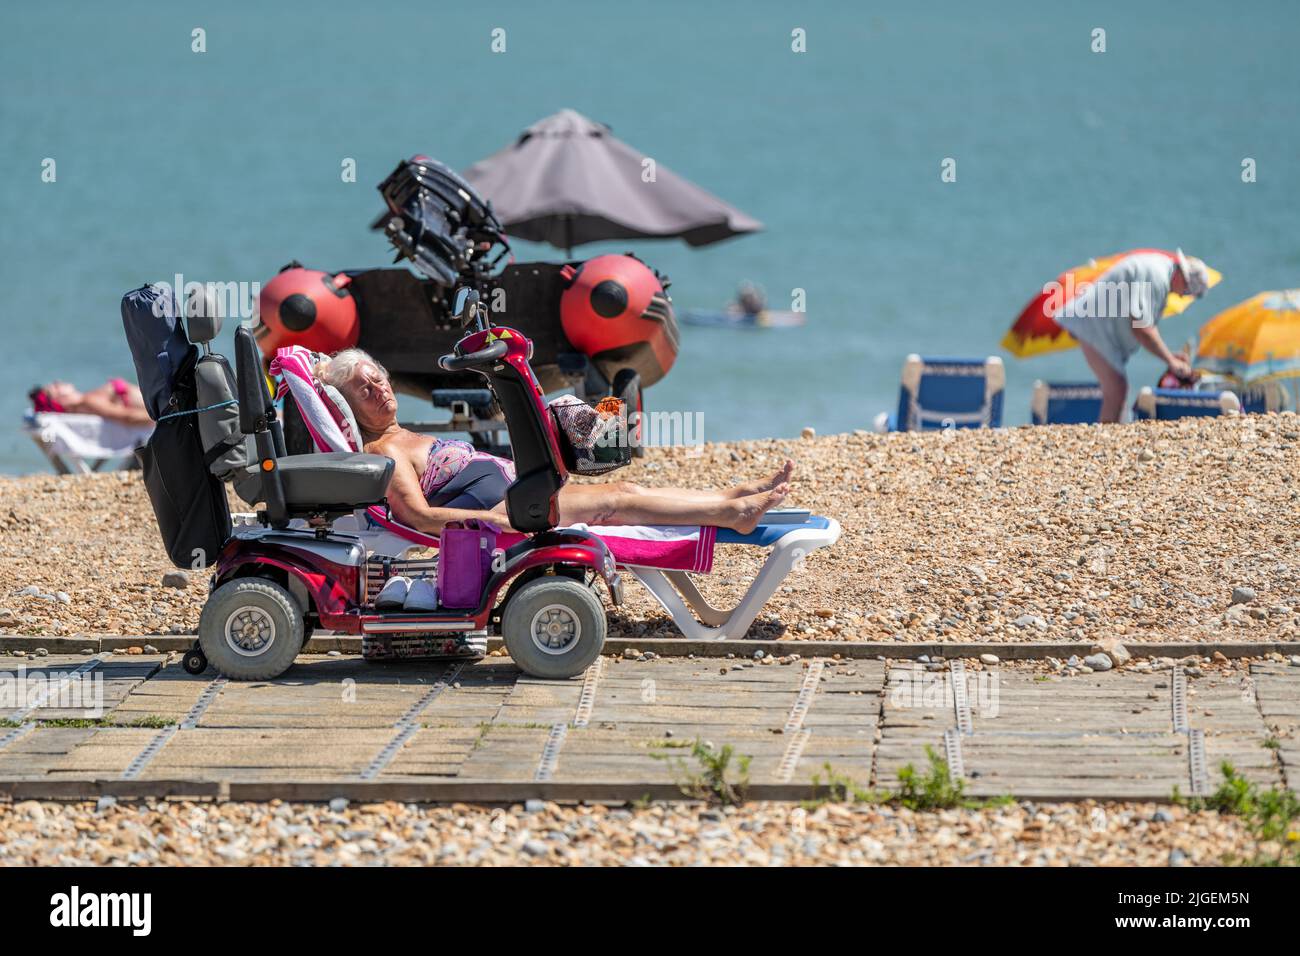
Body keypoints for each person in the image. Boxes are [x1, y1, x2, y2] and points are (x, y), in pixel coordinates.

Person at [316, 349, 791, 536]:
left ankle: (731, 496)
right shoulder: (384, 452)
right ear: (348, 403)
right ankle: (731, 514)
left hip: (521, 492)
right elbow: (415, 516)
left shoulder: (403, 434)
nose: (380, 390)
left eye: (379, 378)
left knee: (625, 490)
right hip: (514, 510)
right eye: (365, 389)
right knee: (618, 501)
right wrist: (490, 522)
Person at [1055, 249, 1211, 422]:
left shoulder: (1158, 271)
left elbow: (1146, 326)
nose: (1183, 296)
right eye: (1188, 291)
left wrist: (1169, 356)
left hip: (1095, 324)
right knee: (1116, 389)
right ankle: (1103, 442)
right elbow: (1141, 328)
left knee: (1117, 389)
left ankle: (1108, 437)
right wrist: (1170, 361)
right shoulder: (1157, 276)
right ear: (1182, 277)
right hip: (1092, 324)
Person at [28, 378, 153, 427]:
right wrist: (161, 419)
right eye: (55, 386)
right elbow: (127, 417)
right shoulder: (88, 402)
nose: (58, 382)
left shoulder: (87, 400)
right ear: (60, 400)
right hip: (161, 409)